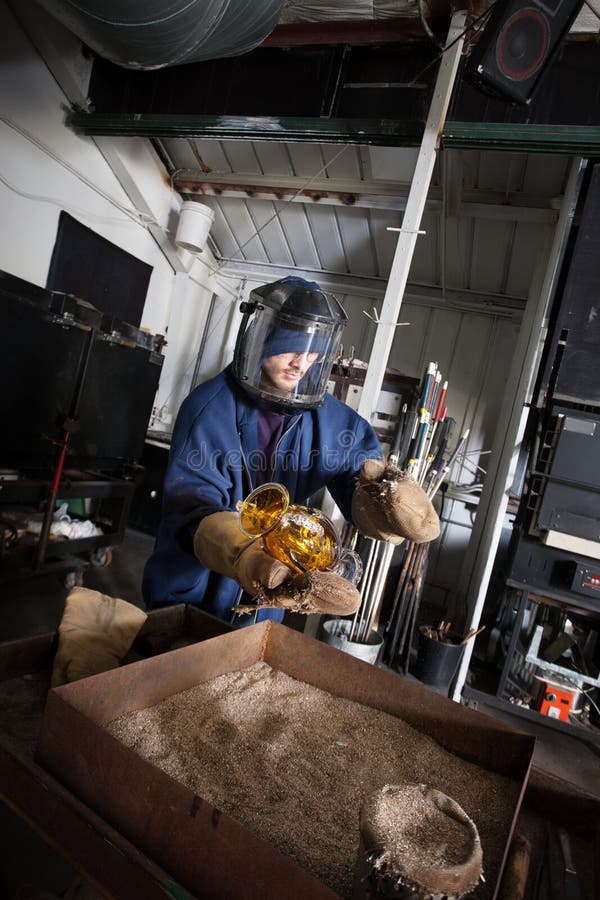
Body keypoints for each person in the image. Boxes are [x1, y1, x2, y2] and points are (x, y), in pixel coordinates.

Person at [142, 276, 439, 624]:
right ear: (261, 339)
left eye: (313, 352)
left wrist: (378, 501)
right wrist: (249, 557)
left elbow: (355, 464)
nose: (303, 362)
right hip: (193, 592)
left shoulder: (326, 417)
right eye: (291, 347)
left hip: (266, 601)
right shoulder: (207, 409)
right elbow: (192, 508)